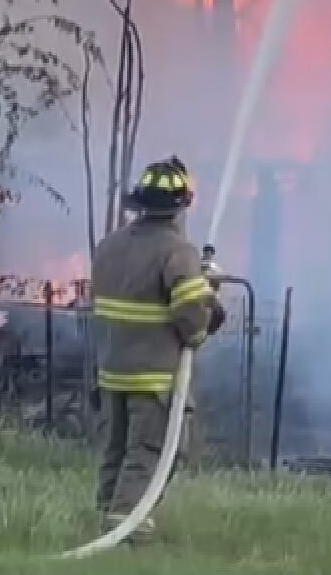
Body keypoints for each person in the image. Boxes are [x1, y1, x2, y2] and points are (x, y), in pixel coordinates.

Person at [90, 157, 225, 543]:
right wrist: (208, 294)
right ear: (180, 207)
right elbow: (193, 324)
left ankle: (105, 523)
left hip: (112, 371)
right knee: (147, 456)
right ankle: (129, 536)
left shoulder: (109, 246)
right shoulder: (177, 253)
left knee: (115, 453)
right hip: (153, 377)